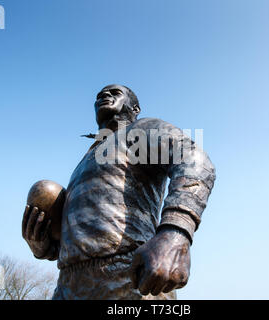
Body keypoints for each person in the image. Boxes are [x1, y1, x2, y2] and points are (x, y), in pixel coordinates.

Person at [22, 84, 216, 299]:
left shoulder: (139, 131)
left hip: (129, 274)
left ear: (135, 108)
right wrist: (45, 247)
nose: (104, 95)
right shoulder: (86, 160)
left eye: (115, 93)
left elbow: (194, 160)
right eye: (99, 95)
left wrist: (176, 232)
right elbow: (91, 233)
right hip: (69, 285)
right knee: (47, 190)